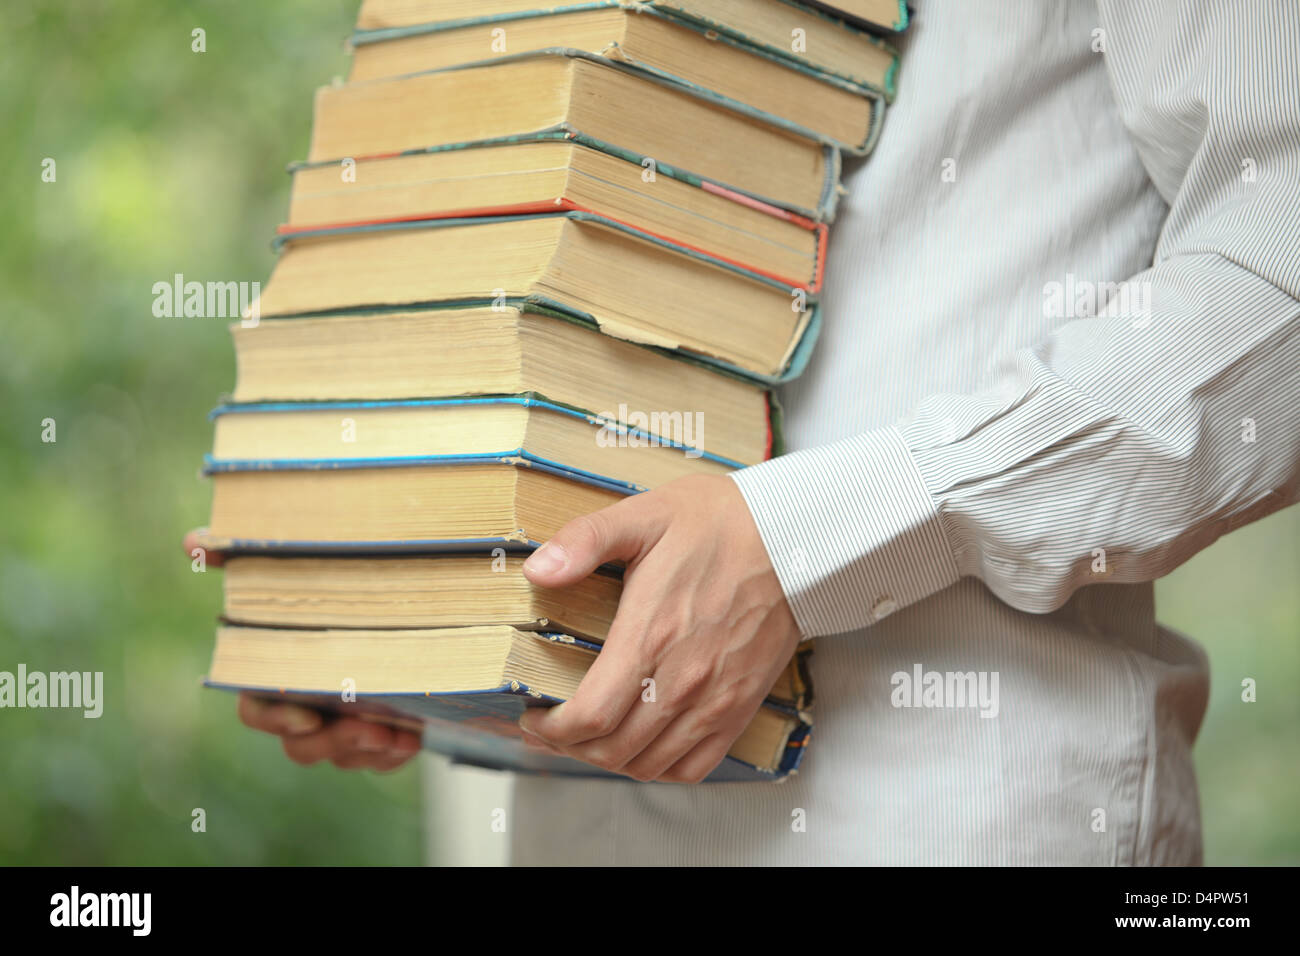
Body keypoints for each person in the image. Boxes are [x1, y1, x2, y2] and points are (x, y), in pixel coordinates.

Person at [211, 0, 1300, 864]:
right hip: (572, 829)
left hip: (947, 819)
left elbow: (1278, 272)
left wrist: (817, 536)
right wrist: (386, 598)